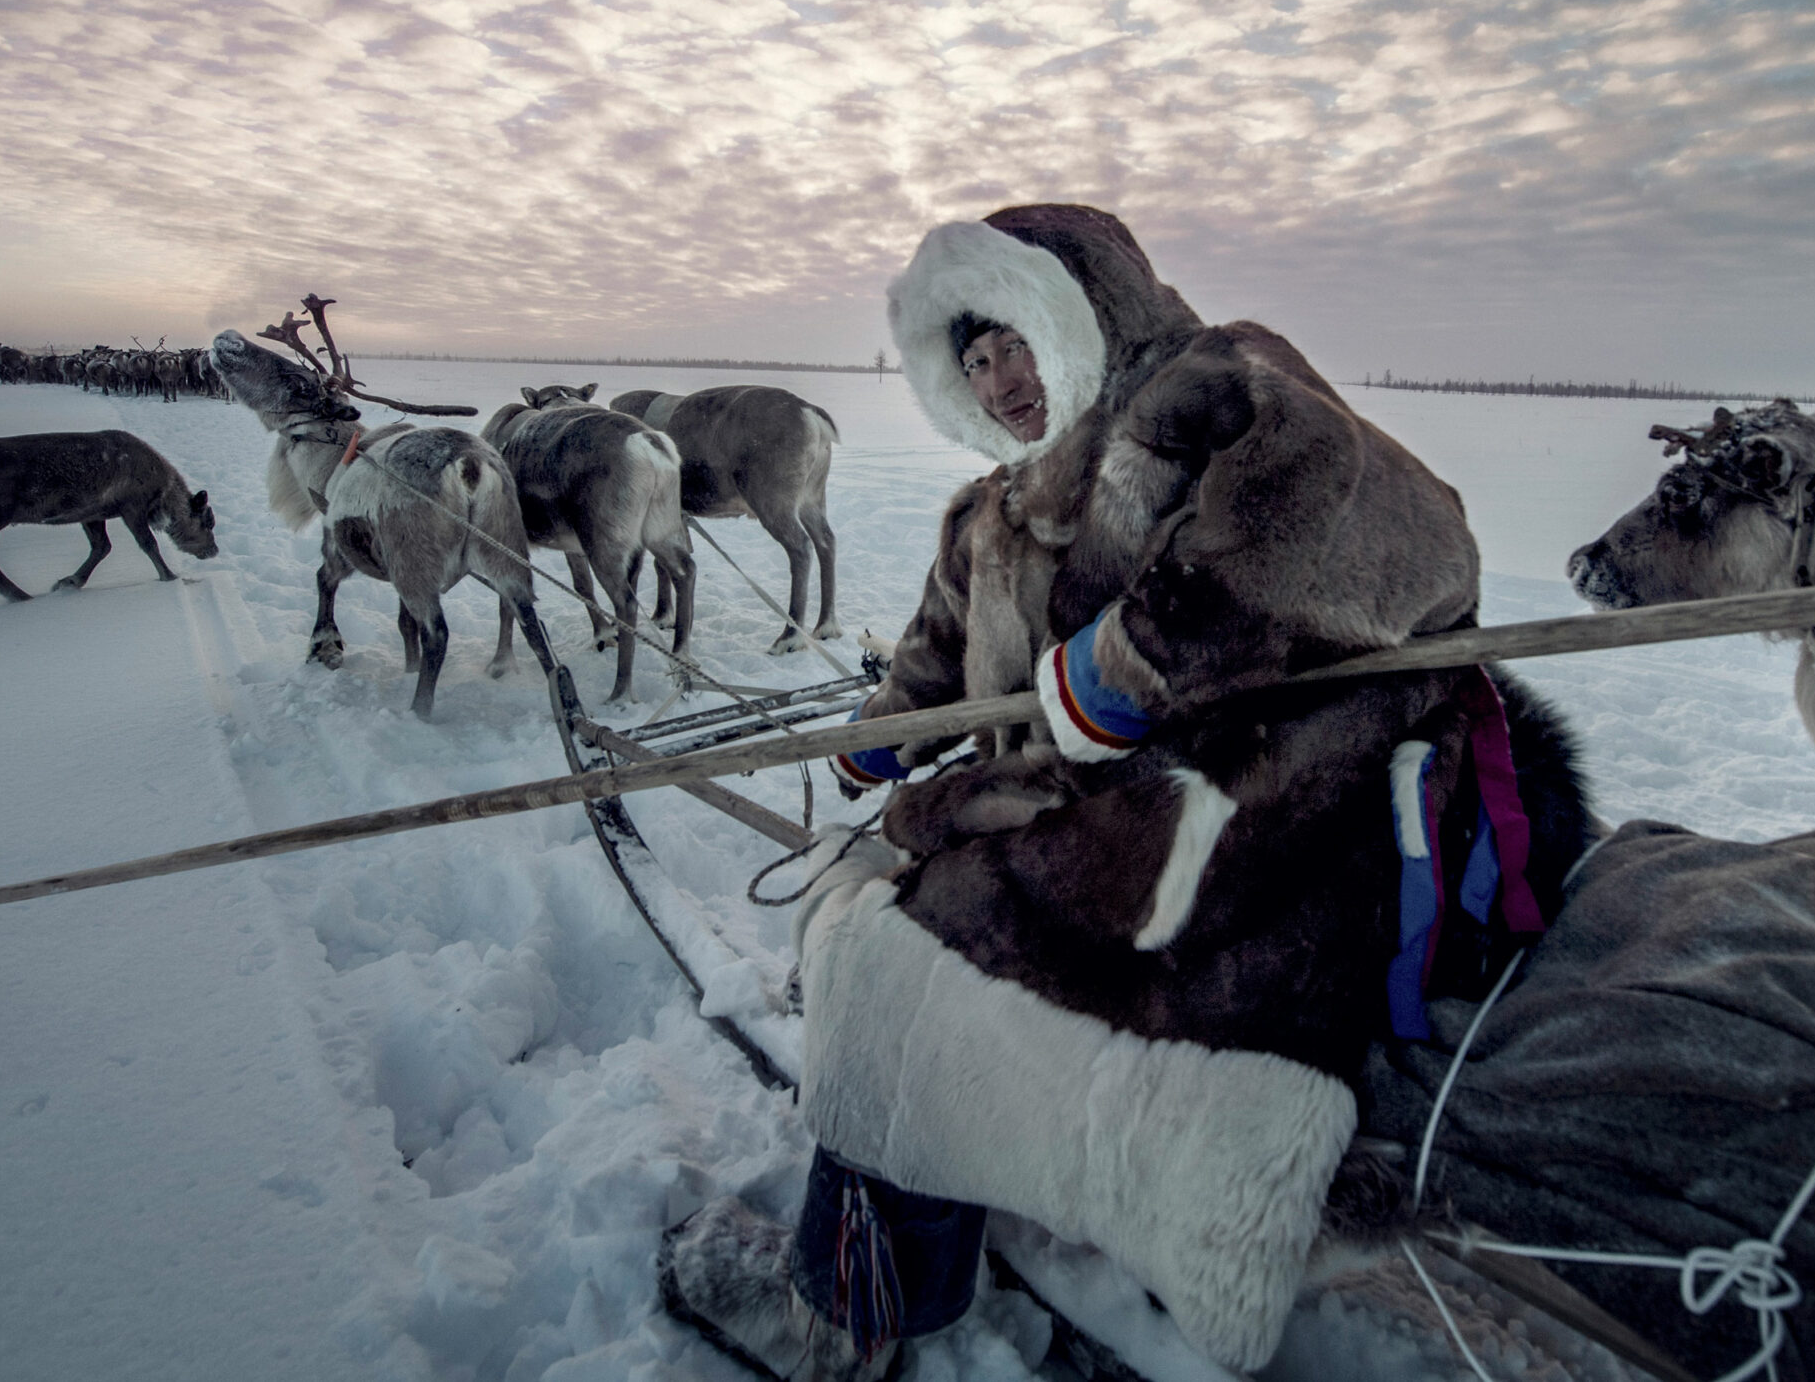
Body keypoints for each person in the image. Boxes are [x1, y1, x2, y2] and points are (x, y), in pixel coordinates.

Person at [661, 206, 1591, 1377]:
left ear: (1080, 311)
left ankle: (847, 1310)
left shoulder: (1216, 389)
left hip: (1251, 815)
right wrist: (880, 734)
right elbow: (939, 647)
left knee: (903, 957)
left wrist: (1131, 659)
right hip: (1091, 814)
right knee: (917, 871)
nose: (1000, 379)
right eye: (973, 359)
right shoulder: (996, 509)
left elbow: (1416, 542)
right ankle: (959, 1169)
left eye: (1014, 339)